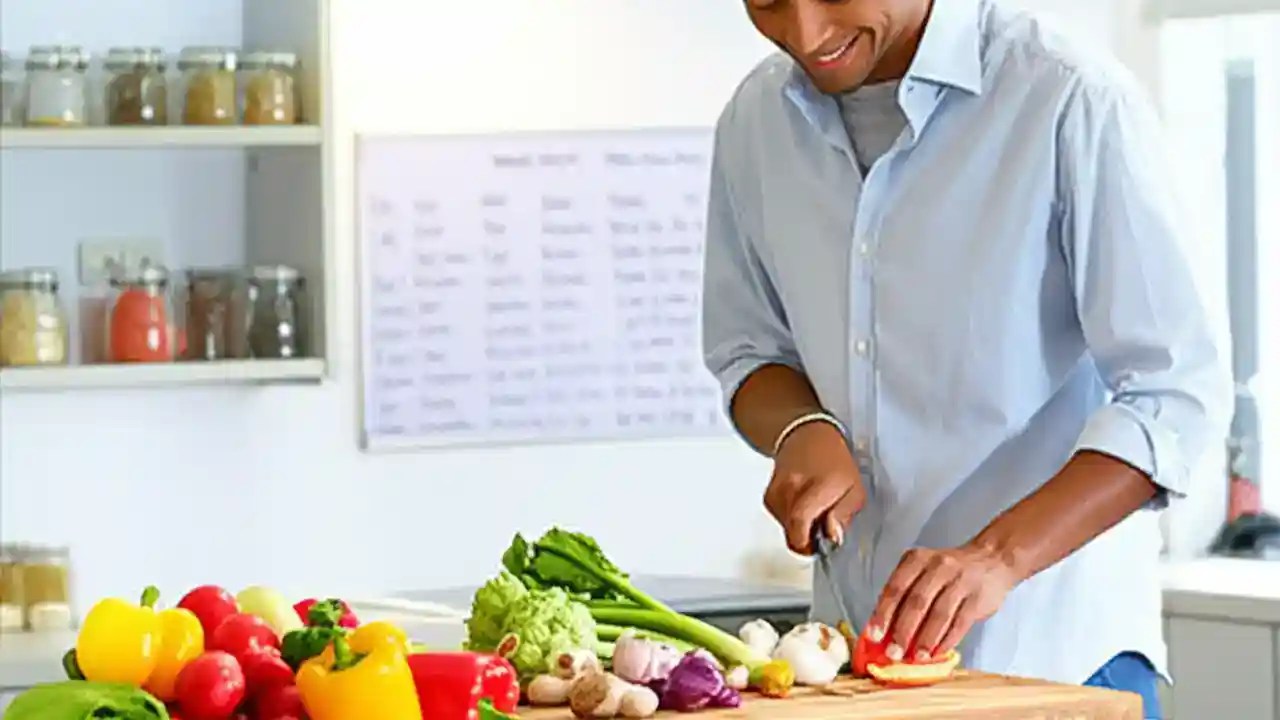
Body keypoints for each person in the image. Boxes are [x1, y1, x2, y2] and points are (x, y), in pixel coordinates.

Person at [700, 0, 1232, 716]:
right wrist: (801, 429)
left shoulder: (1069, 97)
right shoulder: (754, 121)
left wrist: (997, 558)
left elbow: (1175, 396)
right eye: (767, 0)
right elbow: (748, 349)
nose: (805, 33)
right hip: (851, 671)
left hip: (1061, 666)